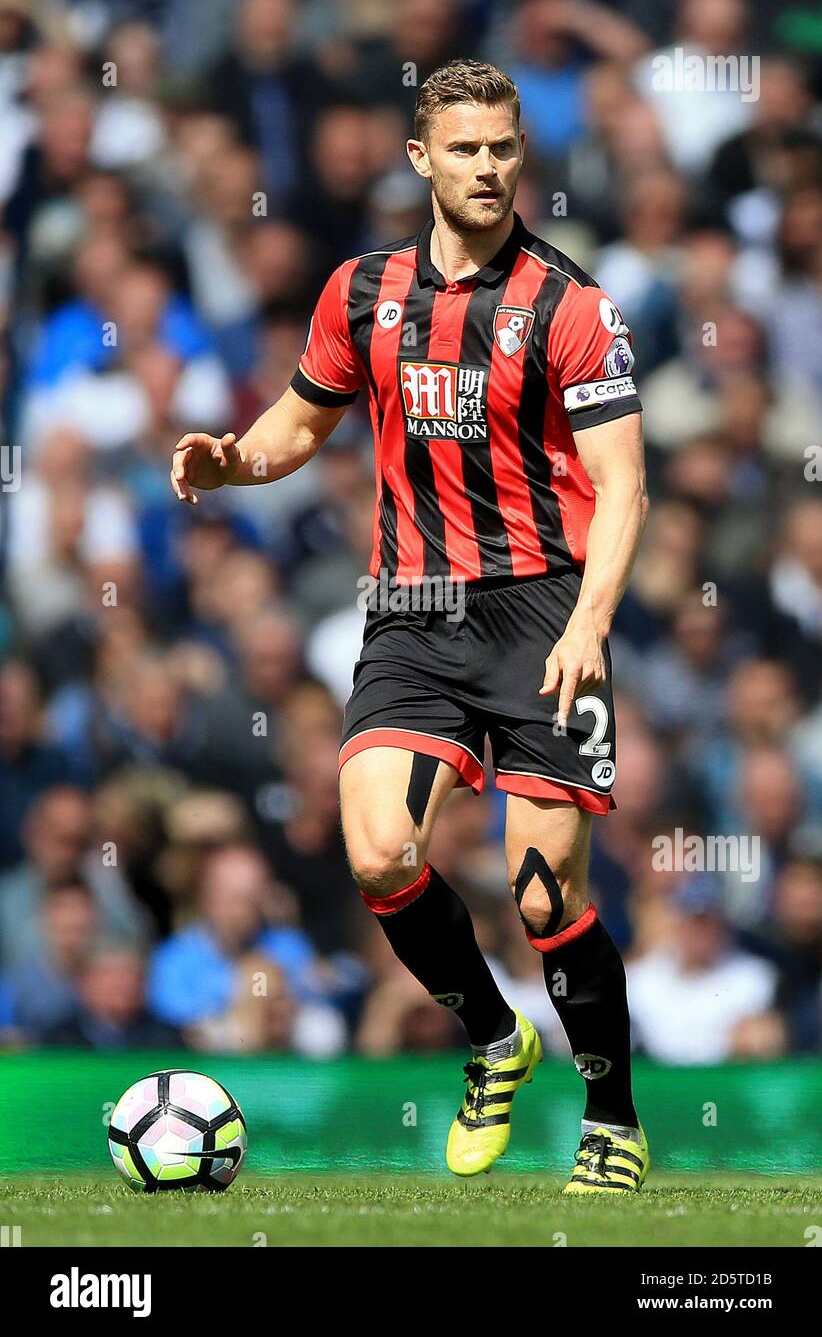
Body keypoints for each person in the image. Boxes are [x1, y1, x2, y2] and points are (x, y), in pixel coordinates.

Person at [170, 59, 650, 1194]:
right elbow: (300, 424)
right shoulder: (361, 291)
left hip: (545, 613)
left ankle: (614, 1123)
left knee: (547, 897)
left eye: (504, 146)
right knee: (380, 849)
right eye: (467, 148)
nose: (489, 167)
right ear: (420, 159)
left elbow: (623, 487)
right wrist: (233, 460)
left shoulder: (574, 307)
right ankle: (494, 1038)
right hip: (414, 610)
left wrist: (590, 624)